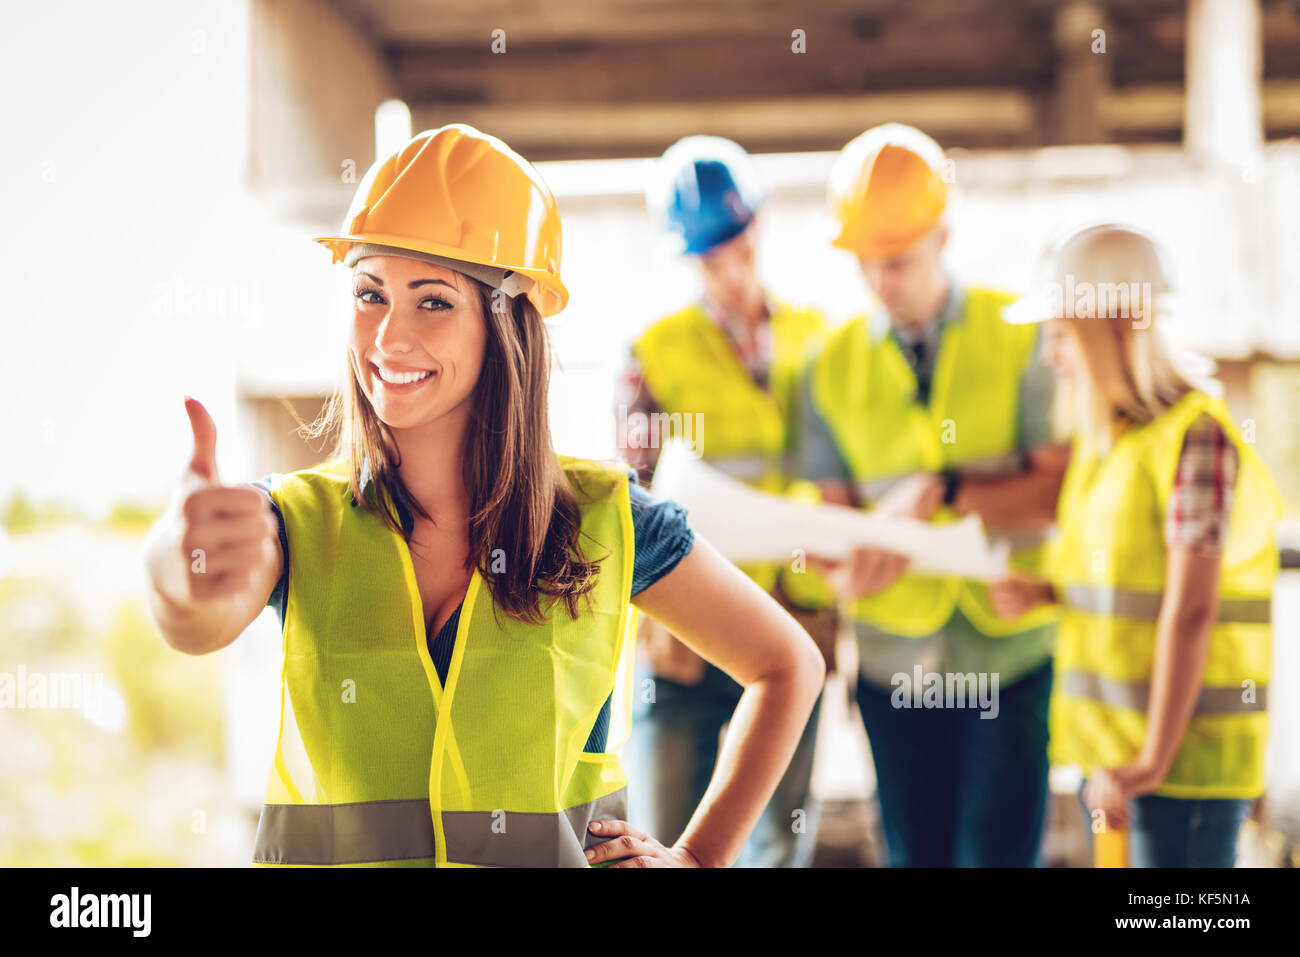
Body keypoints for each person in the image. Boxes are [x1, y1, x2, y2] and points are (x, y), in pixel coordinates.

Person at [141, 123, 824, 868]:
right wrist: (179, 564)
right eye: (369, 293)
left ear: (508, 322)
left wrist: (698, 857)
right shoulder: (296, 521)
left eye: (432, 301)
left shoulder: (606, 517)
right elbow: (191, 620)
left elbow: (789, 665)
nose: (388, 336)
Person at [801, 123, 1070, 867]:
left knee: (996, 855)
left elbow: (1056, 490)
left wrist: (950, 490)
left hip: (1007, 653)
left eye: (899, 260)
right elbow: (827, 520)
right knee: (914, 854)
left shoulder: (1020, 333)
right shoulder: (830, 362)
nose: (882, 280)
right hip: (893, 661)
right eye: (866, 263)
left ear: (943, 236)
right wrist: (842, 568)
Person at [990, 222, 1282, 867]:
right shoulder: (1113, 444)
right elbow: (1128, 581)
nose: (1049, 356)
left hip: (1180, 767)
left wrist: (1150, 760)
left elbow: (1193, 609)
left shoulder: (1195, 439)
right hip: (1124, 764)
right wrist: (1047, 591)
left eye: (1060, 335)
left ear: (1111, 329)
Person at [618, 135, 837, 868]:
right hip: (682, 637)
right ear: (686, 257)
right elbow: (628, 497)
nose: (731, 270)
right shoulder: (655, 349)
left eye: (739, 247)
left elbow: (843, 471)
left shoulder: (818, 337)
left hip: (791, 617)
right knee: (665, 843)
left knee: (778, 845)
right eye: (711, 257)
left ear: (760, 228)